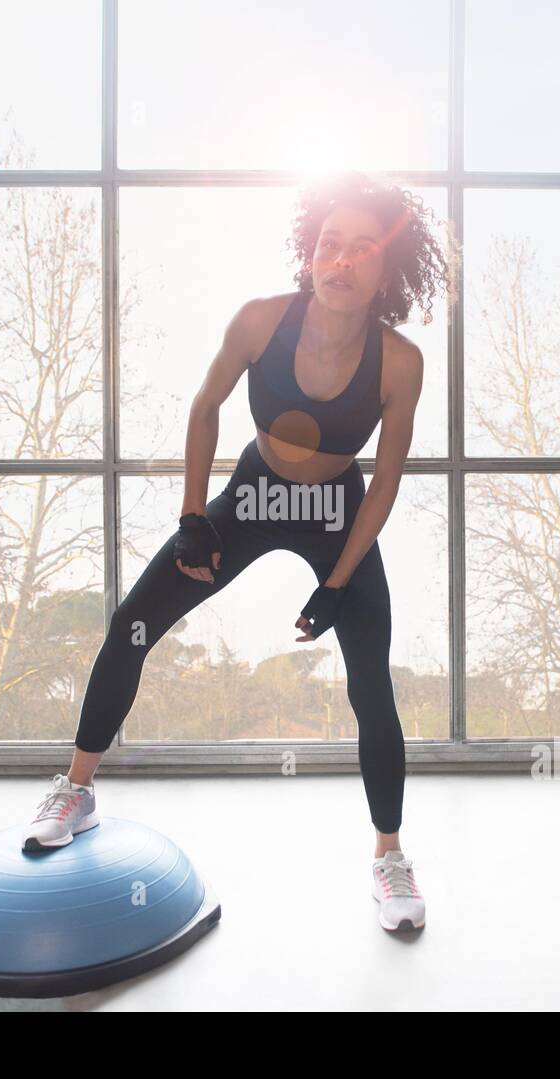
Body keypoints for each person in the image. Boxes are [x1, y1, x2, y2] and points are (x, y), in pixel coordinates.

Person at [23, 172, 453, 932]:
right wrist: (194, 517)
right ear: (309, 252)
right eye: (329, 244)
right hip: (251, 499)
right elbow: (206, 406)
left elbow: (385, 482)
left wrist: (338, 583)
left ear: (386, 269)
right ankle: (78, 788)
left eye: (362, 250)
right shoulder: (260, 321)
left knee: (370, 685)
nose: (341, 261)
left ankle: (389, 857)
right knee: (131, 625)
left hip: (338, 515)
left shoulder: (400, 361)